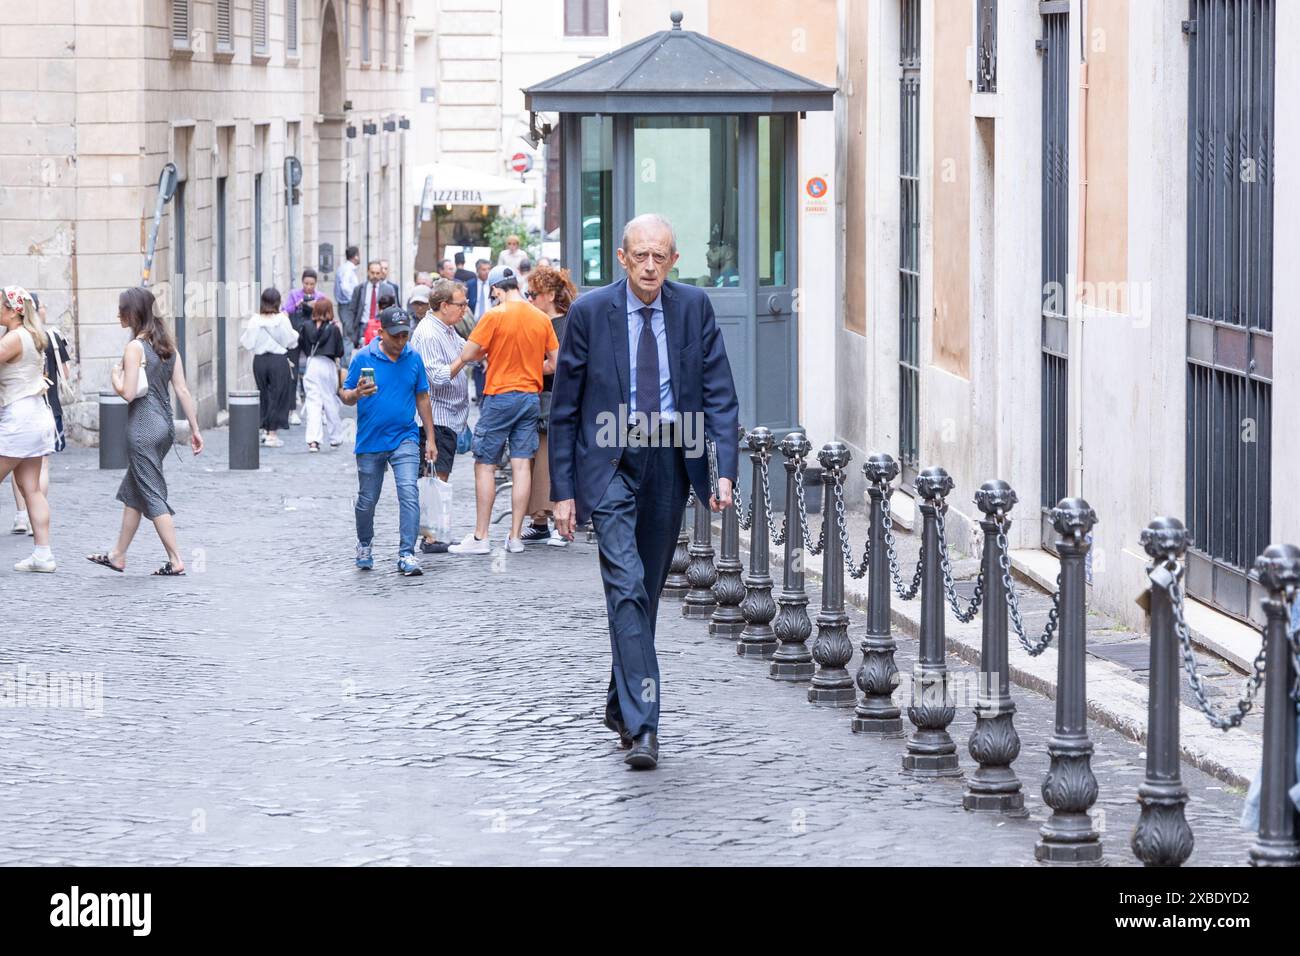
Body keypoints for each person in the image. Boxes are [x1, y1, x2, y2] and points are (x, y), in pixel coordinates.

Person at [549, 213, 740, 770]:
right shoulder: (587, 314)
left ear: (674, 261)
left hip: (670, 459)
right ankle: (644, 725)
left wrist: (723, 468)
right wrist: (563, 491)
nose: (651, 265)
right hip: (608, 461)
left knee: (645, 593)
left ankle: (620, 701)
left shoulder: (693, 308)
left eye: (661, 256)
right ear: (622, 258)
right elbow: (563, 410)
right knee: (627, 584)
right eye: (641, 256)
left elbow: (719, 393)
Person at [87, 286, 204, 576]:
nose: (118, 314)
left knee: (151, 493)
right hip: (163, 428)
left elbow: (128, 393)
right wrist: (195, 428)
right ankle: (118, 555)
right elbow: (183, 390)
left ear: (134, 313)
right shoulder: (168, 347)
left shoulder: (134, 347)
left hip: (141, 428)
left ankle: (176, 559)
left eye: (122, 309)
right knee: (134, 491)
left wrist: (115, 378)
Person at [446, 266, 557, 555]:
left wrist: (486, 354)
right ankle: (516, 536)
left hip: (499, 395)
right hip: (530, 397)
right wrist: (533, 367)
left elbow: (469, 353)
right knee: (522, 464)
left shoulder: (494, 315)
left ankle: (482, 537)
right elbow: (555, 363)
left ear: (496, 289)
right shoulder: (540, 317)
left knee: (485, 463)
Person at [340, 306, 437, 576]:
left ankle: (407, 553)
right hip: (371, 441)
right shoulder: (363, 358)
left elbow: (422, 398)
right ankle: (364, 544)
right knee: (367, 500)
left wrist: (430, 437)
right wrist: (357, 393)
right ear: (381, 332)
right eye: (395, 335)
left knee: (409, 492)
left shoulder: (414, 358)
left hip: (405, 437)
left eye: (405, 334)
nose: (401, 340)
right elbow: (345, 395)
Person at [409, 278, 471, 554]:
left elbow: (464, 347)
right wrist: (466, 358)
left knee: (438, 475)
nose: (465, 309)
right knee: (436, 476)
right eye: (461, 304)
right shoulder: (429, 334)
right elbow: (438, 376)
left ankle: (436, 532)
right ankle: (432, 537)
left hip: (449, 415)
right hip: (438, 415)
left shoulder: (446, 328)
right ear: (444, 305)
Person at [0, 286, 58, 572]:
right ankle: (43, 554)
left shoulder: (13, 339)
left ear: (13, 310)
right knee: (31, 488)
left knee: (30, 488)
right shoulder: (34, 335)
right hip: (37, 415)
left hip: (20, 418)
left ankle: (43, 555)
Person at [520, 265, 576, 548]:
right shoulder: (540, 322)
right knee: (537, 460)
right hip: (540, 399)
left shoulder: (565, 323)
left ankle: (556, 521)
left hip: (557, 399)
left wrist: (526, 368)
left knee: (550, 461)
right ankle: (540, 521)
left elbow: (562, 365)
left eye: (535, 294)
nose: (531, 299)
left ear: (550, 295)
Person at [10, 293, 70, 537]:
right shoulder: (49, 336)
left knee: (17, 464)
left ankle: (21, 515)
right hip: (47, 407)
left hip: (17, 411)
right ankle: (40, 540)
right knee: (39, 470)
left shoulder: (13, 339)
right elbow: (65, 371)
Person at [240, 288, 298, 447]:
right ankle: (272, 433)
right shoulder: (282, 319)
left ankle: (265, 429)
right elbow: (291, 341)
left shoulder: (254, 320)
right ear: (278, 302)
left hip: (259, 361)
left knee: (264, 395)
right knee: (277, 396)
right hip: (278, 360)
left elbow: (247, 342)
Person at [299, 296, 345, 453]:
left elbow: (303, 346)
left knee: (313, 402)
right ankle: (335, 437)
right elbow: (340, 351)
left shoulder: (306, 326)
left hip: (312, 364)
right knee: (330, 400)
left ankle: (313, 440)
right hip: (327, 364)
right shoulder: (333, 329)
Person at [283, 268, 320, 425]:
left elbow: (325, 312)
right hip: (295, 335)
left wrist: (314, 306)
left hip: (311, 336)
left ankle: (320, 410)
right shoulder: (294, 295)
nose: (308, 287)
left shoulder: (320, 297)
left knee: (317, 369)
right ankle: (291, 410)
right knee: (293, 371)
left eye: (312, 284)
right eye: (306, 283)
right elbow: (285, 310)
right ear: (302, 282)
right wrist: (298, 304)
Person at [344, 260, 399, 350]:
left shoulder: (388, 289)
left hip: (380, 327)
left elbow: (394, 309)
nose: (375, 276)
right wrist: (350, 329)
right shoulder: (359, 289)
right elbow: (352, 310)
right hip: (363, 327)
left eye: (378, 273)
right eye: (372, 273)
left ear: (381, 274)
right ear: (368, 272)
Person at [334, 244, 361, 313]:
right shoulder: (347, 269)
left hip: (347, 305)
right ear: (356, 257)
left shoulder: (347, 268)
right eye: (359, 255)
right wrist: (353, 300)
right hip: (347, 306)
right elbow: (345, 287)